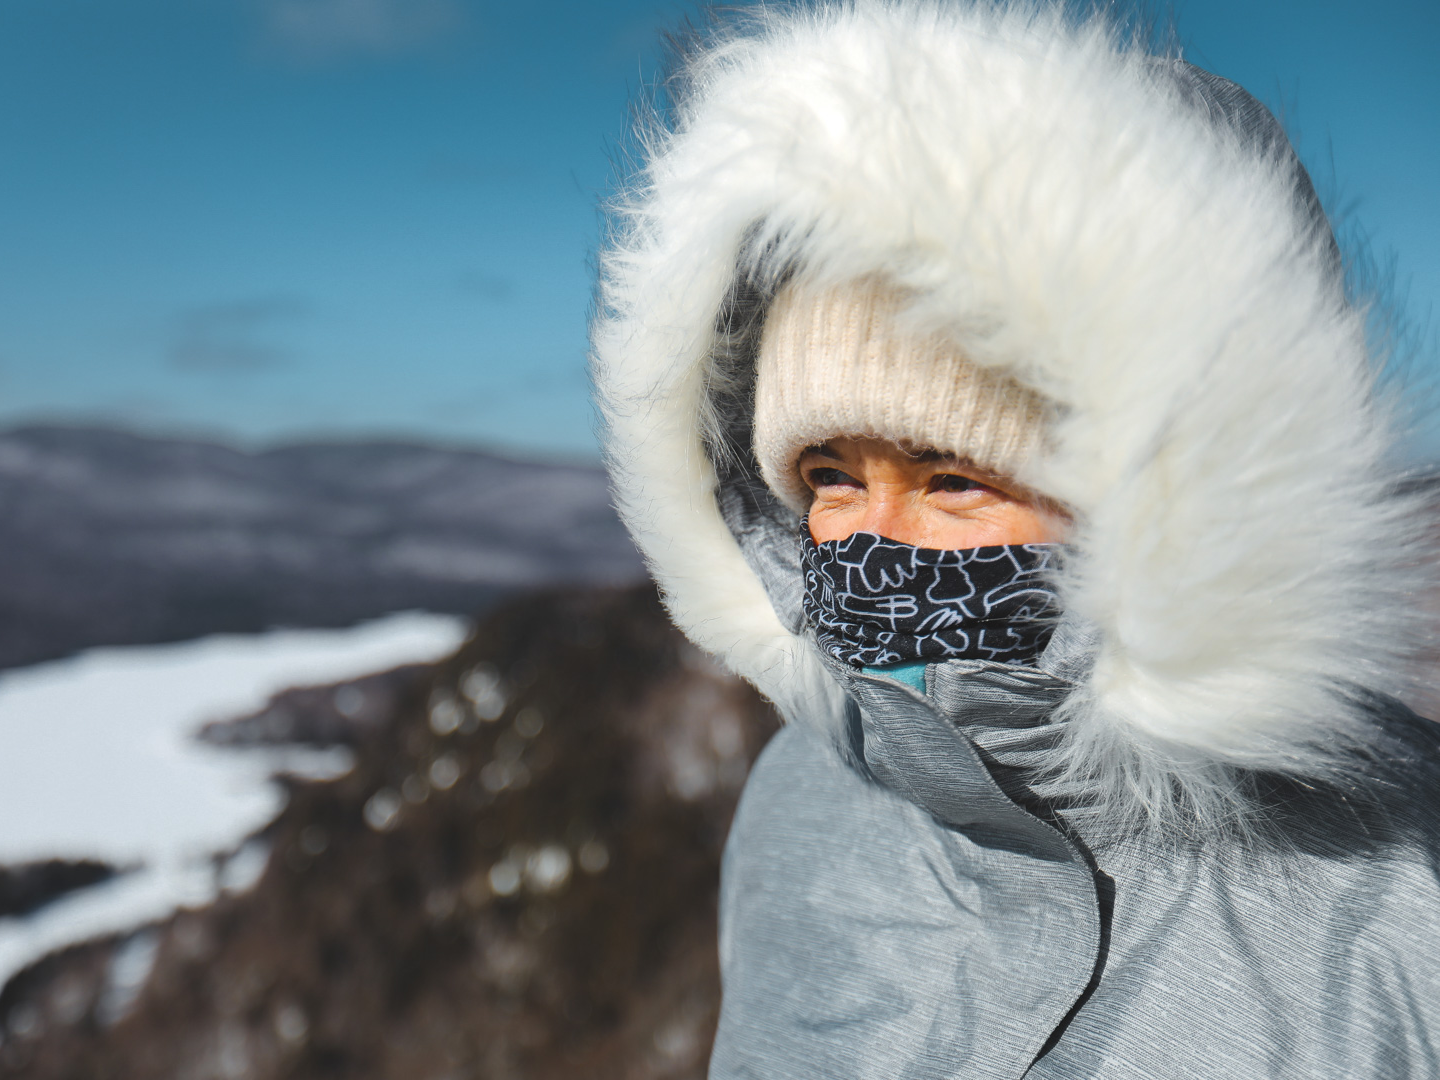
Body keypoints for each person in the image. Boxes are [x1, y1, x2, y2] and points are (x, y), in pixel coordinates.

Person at [591, 2, 1440, 1076]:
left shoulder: (1405, 916)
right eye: (829, 477)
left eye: (954, 478)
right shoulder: (804, 803)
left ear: (1175, 502)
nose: (873, 540)